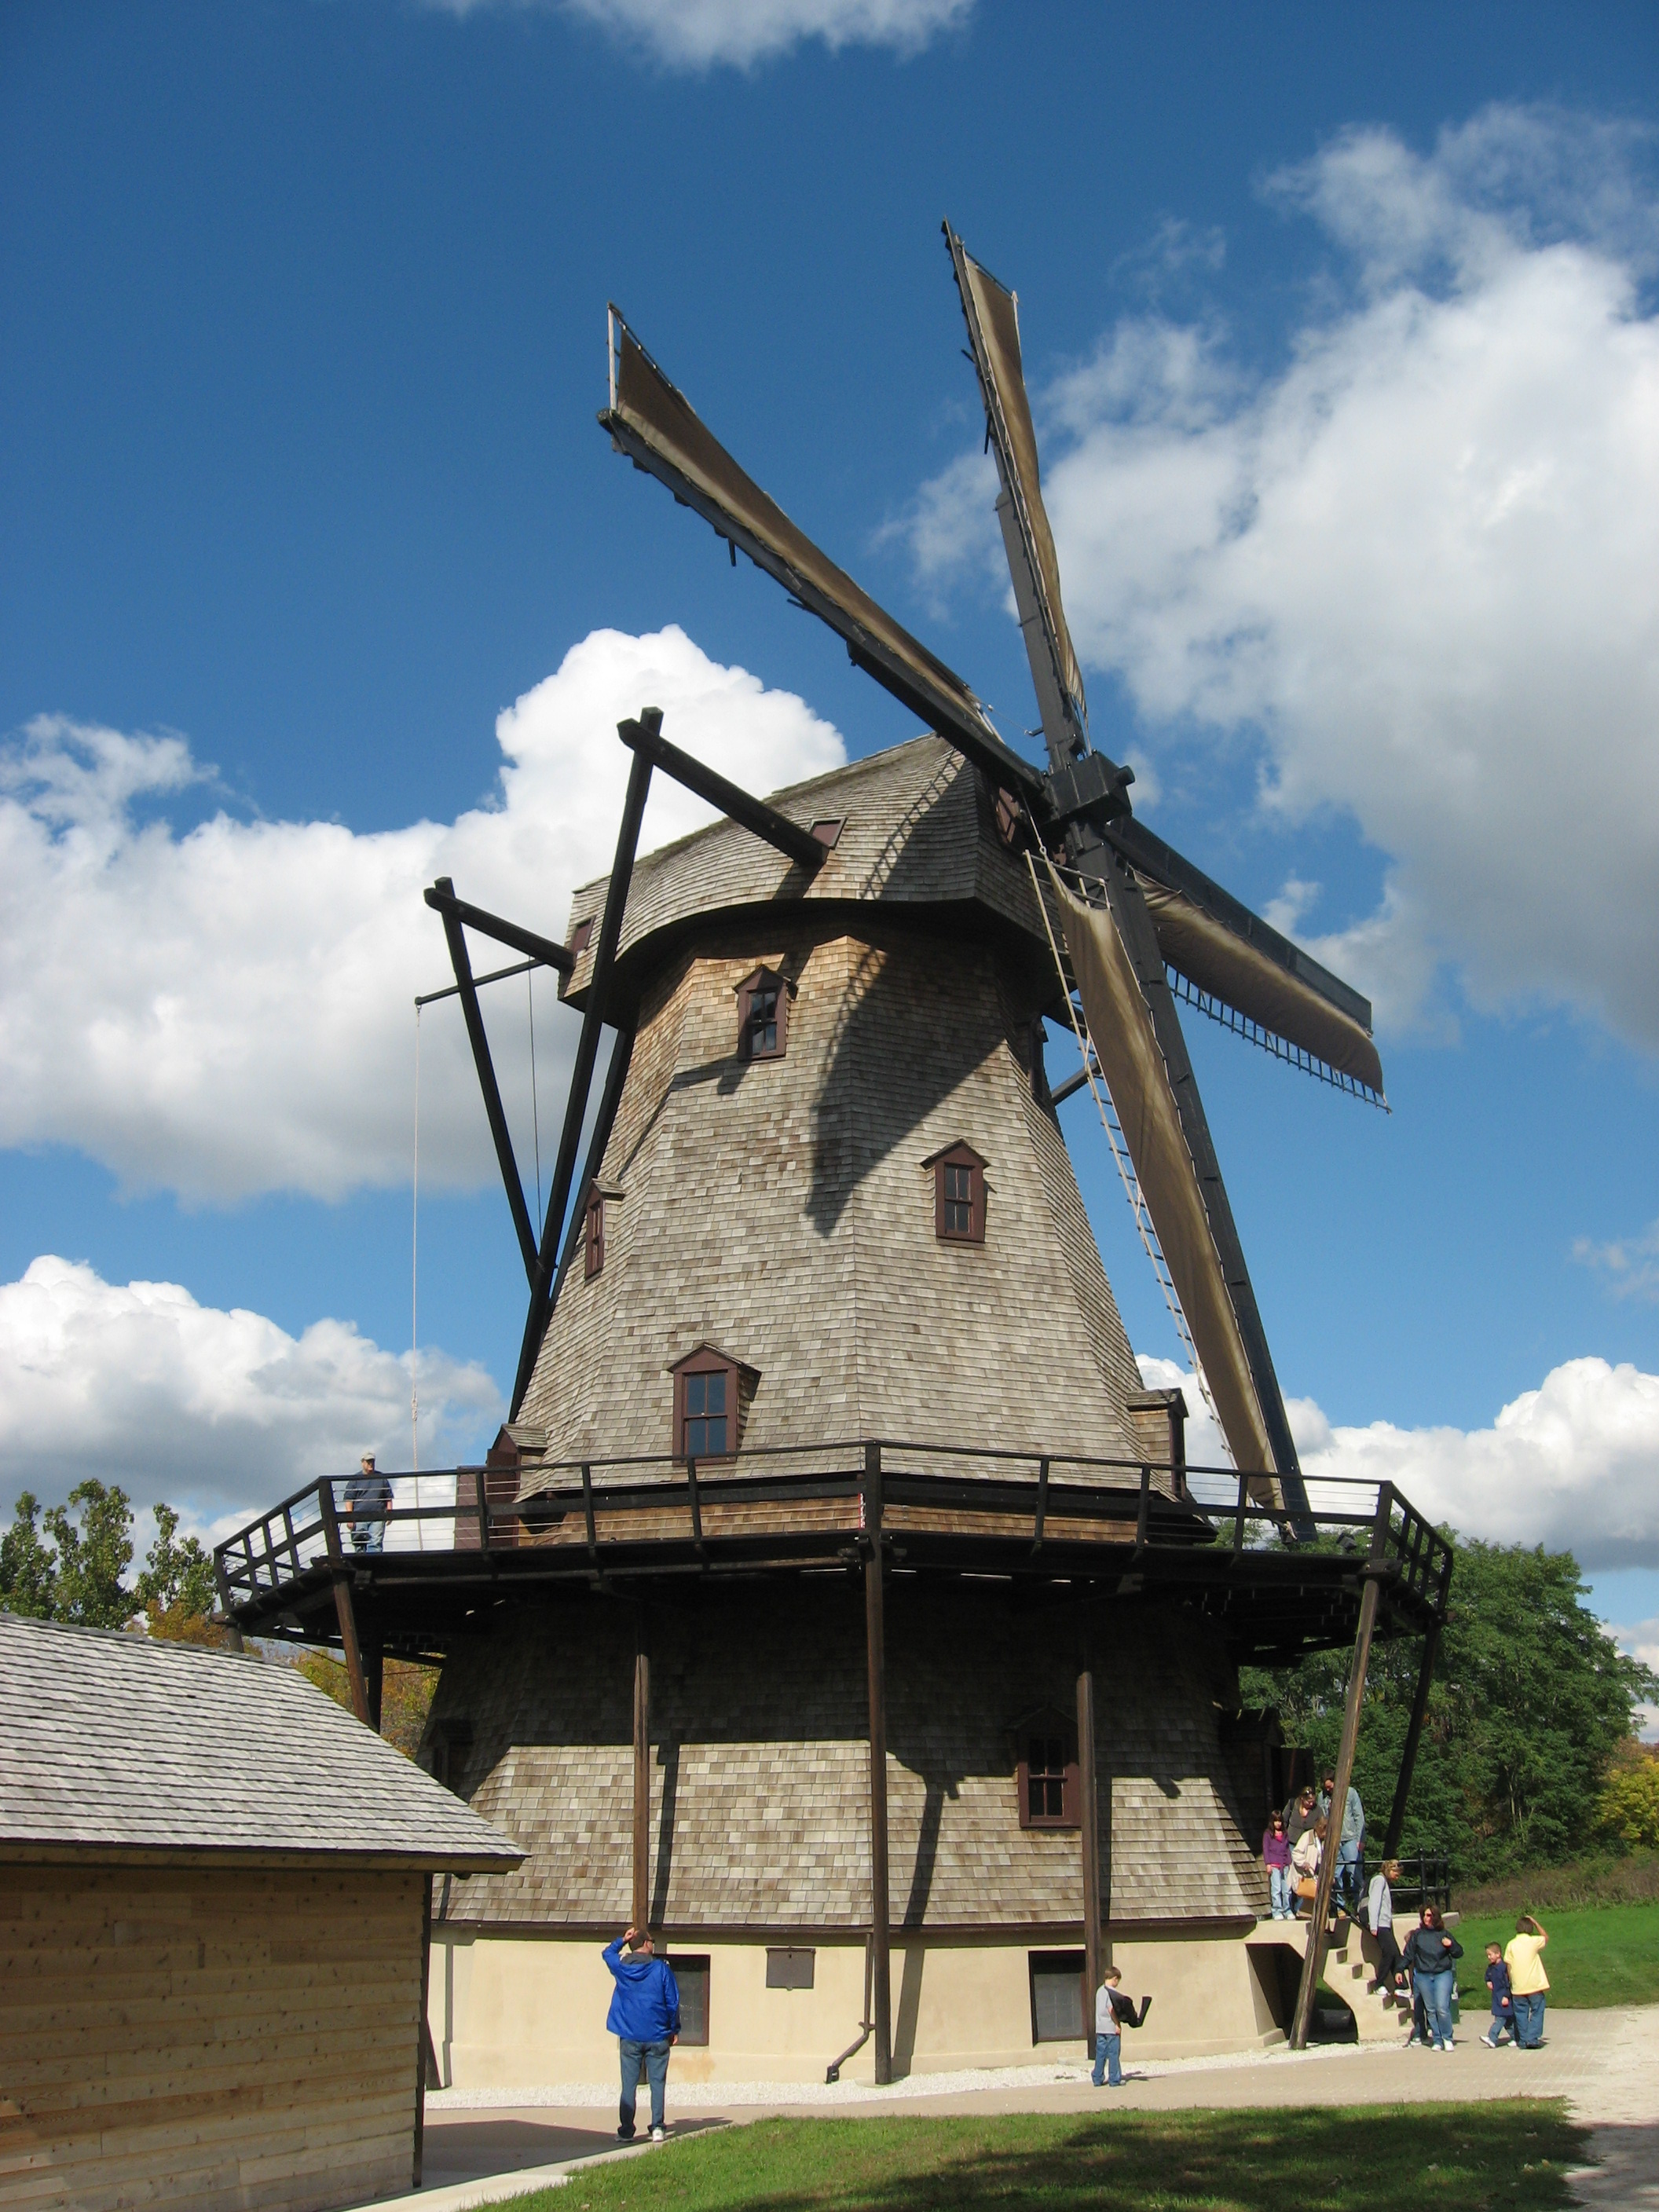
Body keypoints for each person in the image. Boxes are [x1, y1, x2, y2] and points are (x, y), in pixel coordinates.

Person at [602, 1923, 680, 2141]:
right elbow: (672, 2001)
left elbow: (607, 1954)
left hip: (629, 2035)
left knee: (628, 2084)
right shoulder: (661, 1969)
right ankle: (657, 2127)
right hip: (657, 2034)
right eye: (652, 1942)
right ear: (647, 1944)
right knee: (657, 2083)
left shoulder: (622, 1967)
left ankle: (627, 2130)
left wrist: (622, 1940)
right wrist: (674, 2029)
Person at [1401, 1905, 1462, 2050]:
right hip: (1423, 1975)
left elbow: (1459, 1952)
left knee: (1442, 2007)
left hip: (1442, 1973)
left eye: (1429, 1915)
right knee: (1431, 2010)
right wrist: (1399, 1969)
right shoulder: (1418, 1936)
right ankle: (1437, 2039)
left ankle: (1447, 2037)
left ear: (1435, 1917)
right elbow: (1408, 1955)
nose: (1426, 1918)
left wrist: (1451, 1945)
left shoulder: (1444, 1934)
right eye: (1424, 1915)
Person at [1090, 1965, 1152, 2088]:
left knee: (1100, 2053)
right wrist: (1118, 2025)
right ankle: (1114, 2079)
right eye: (1117, 1981)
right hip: (1111, 2029)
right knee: (1113, 2053)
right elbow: (1111, 2009)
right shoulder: (1111, 1993)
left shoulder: (1099, 1991)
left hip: (1100, 2029)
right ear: (1115, 1979)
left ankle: (1097, 2078)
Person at [1319, 1769, 1365, 1914]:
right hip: (1332, 1840)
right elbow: (1322, 1819)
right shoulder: (1323, 1798)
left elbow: (1359, 1816)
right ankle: (1340, 1907)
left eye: (1330, 1787)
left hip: (1350, 1838)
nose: (1328, 1790)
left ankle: (1361, 1906)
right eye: (1326, 1788)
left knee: (1354, 1873)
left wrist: (1361, 1840)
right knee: (1334, 1875)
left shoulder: (1350, 1793)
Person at [1504, 1915, 1549, 2049]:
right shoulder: (1533, 1941)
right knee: (1537, 2010)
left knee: (1521, 2014)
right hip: (1534, 1985)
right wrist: (1536, 1922)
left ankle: (1523, 2040)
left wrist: (1511, 1980)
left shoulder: (1511, 1944)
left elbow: (1508, 1965)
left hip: (1518, 1987)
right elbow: (1546, 1937)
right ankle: (1532, 2038)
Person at [1364, 1859, 1405, 1997]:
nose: (1397, 1877)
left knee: (1395, 1953)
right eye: (1396, 1873)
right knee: (1389, 1952)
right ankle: (1379, 1983)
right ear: (1389, 1870)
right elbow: (1374, 1902)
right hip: (1380, 1924)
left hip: (1384, 1924)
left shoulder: (1384, 1883)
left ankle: (1401, 1986)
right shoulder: (1379, 1880)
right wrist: (1374, 1925)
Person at [344, 1452, 394, 1554]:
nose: (371, 1464)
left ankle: (374, 1566)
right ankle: (361, 1565)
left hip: (378, 1517)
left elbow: (388, 1497)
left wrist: (389, 1513)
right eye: (368, 1461)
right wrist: (350, 1517)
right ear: (363, 1463)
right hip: (359, 1517)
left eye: (372, 1461)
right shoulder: (355, 1479)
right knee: (359, 1543)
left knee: (375, 1544)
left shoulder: (381, 1478)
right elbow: (349, 1499)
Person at [1289, 1813, 1324, 1917]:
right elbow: (1296, 1852)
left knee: (1313, 1897)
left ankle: (1307, 1915)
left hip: (1316, 1873)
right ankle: (1299, 1915)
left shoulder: (1324, 1841)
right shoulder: (1307, 1837)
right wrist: (1303, 1862)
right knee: (1302, 1895)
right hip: (1304, 1874)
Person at [1481, 1942, 1516, 2046]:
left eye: (1490, 1954)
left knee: (1500, 2019)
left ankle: (1492, 2038)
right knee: (1508, 2022)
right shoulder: (1491, 1967)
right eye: (1487, 1955)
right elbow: (1487, 1976)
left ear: (1498, 1954)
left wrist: (1506, 1996)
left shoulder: (1504, 1968)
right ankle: (1517, 2038)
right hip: (1496, 1998)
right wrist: (1488, 1981)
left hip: (1504, 1999)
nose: (1488, 1957)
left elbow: (1509, 1983)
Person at [1263, 1813, 1294, 1920]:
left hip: (1284, 1864)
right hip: (1274, 1864)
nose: (1278, 1823)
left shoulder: (1285, 1833)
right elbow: (1266, 1849)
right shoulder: (1268, 1834)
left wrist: (1290, 1863)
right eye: (1276, 1821)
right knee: (1276, 1889)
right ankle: (1277, 1910)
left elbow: (1287, 1849)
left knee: (1287, 1889)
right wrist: (1268, 1864)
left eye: (1280, 1821)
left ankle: (1287, 1909)